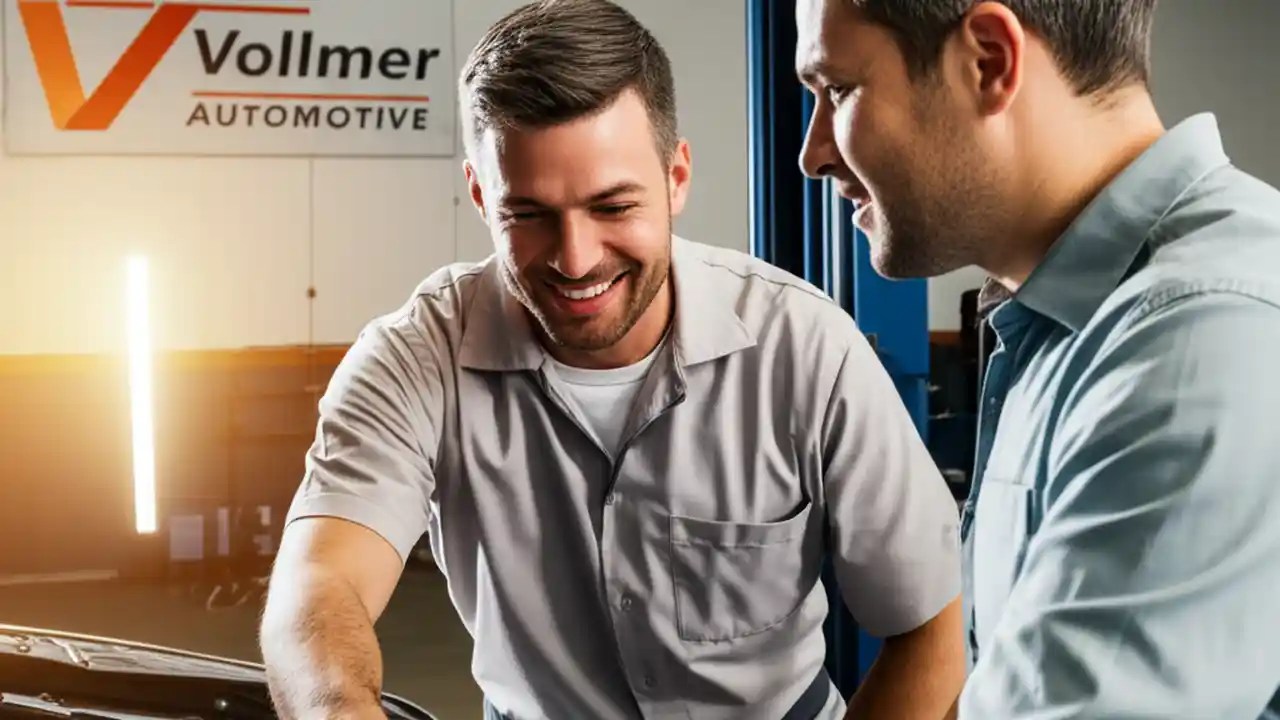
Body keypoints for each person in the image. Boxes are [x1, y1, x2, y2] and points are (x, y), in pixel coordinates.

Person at [259, 0, 964, 718]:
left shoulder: (806, 348)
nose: (575, 259)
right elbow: (320, 589)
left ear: (676, 178)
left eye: (612, 206)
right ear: (480, 194)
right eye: (528, 215)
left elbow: (929, 627)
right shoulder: (417, 358)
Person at [795, 0, 1280, 717]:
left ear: (988, 61)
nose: (813, 153)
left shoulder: (1203, 342)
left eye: (838, 90)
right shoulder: (1069, 325)